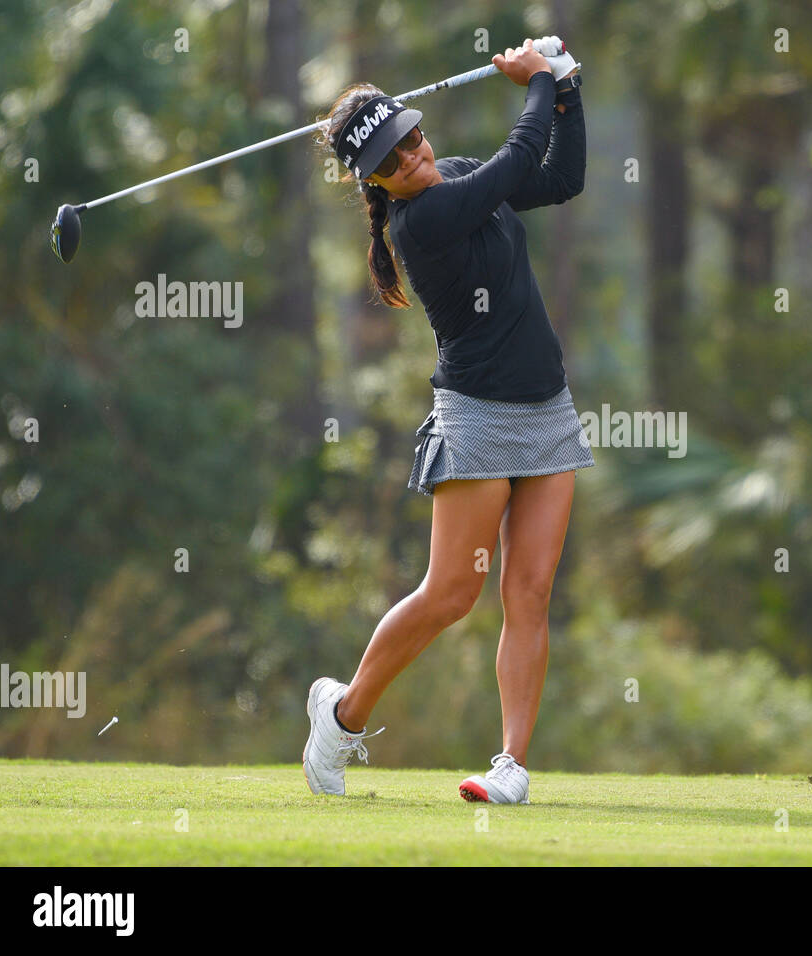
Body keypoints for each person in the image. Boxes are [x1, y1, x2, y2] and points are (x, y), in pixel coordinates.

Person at [303, 38, 590, 804]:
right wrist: (535, 84)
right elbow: (516, 160)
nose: (417, 155)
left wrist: (568, 91)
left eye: (416, 136)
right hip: (479, 416)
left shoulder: (455, 175)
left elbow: (560, 177)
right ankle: (341, 714)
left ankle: (511, 767)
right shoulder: (419, 223)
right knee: (452, 595)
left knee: (529, 593)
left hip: (548, 405)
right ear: (379, 181)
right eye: (397, 157)